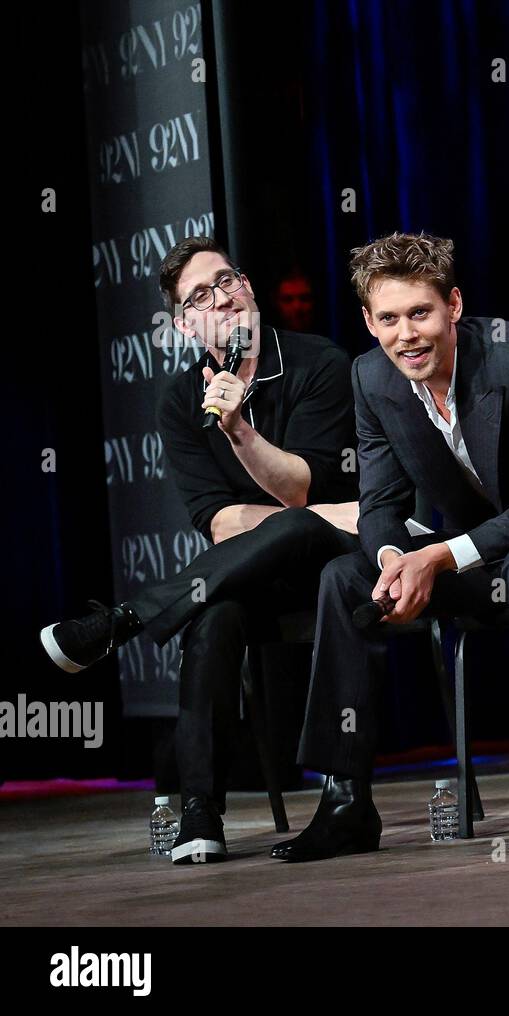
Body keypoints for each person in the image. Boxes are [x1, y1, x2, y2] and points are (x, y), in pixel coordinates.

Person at [271, 232, 509, 861]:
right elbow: (380, 505)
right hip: (485, 557)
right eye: (389, 319)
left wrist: (443, 555)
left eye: (420, 313)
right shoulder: (372, 378)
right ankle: (345, 800)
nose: (407, 335)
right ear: (369, 323)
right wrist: (394, 560)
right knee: (345, 578)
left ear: (453, 305)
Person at [40, 236, 361, 863]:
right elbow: (221, 526)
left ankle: (124, 619)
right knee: (213, 613)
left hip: (342, 561)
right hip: (247, 570)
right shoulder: (181, 402)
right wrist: (289, 515)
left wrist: (240, 430)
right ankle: (200, 812)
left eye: (229, 279)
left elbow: (303, 493)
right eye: (202, 295)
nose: (224, 296)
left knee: (294, 529)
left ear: (247, 285)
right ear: (186, 324)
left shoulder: (318, 363)